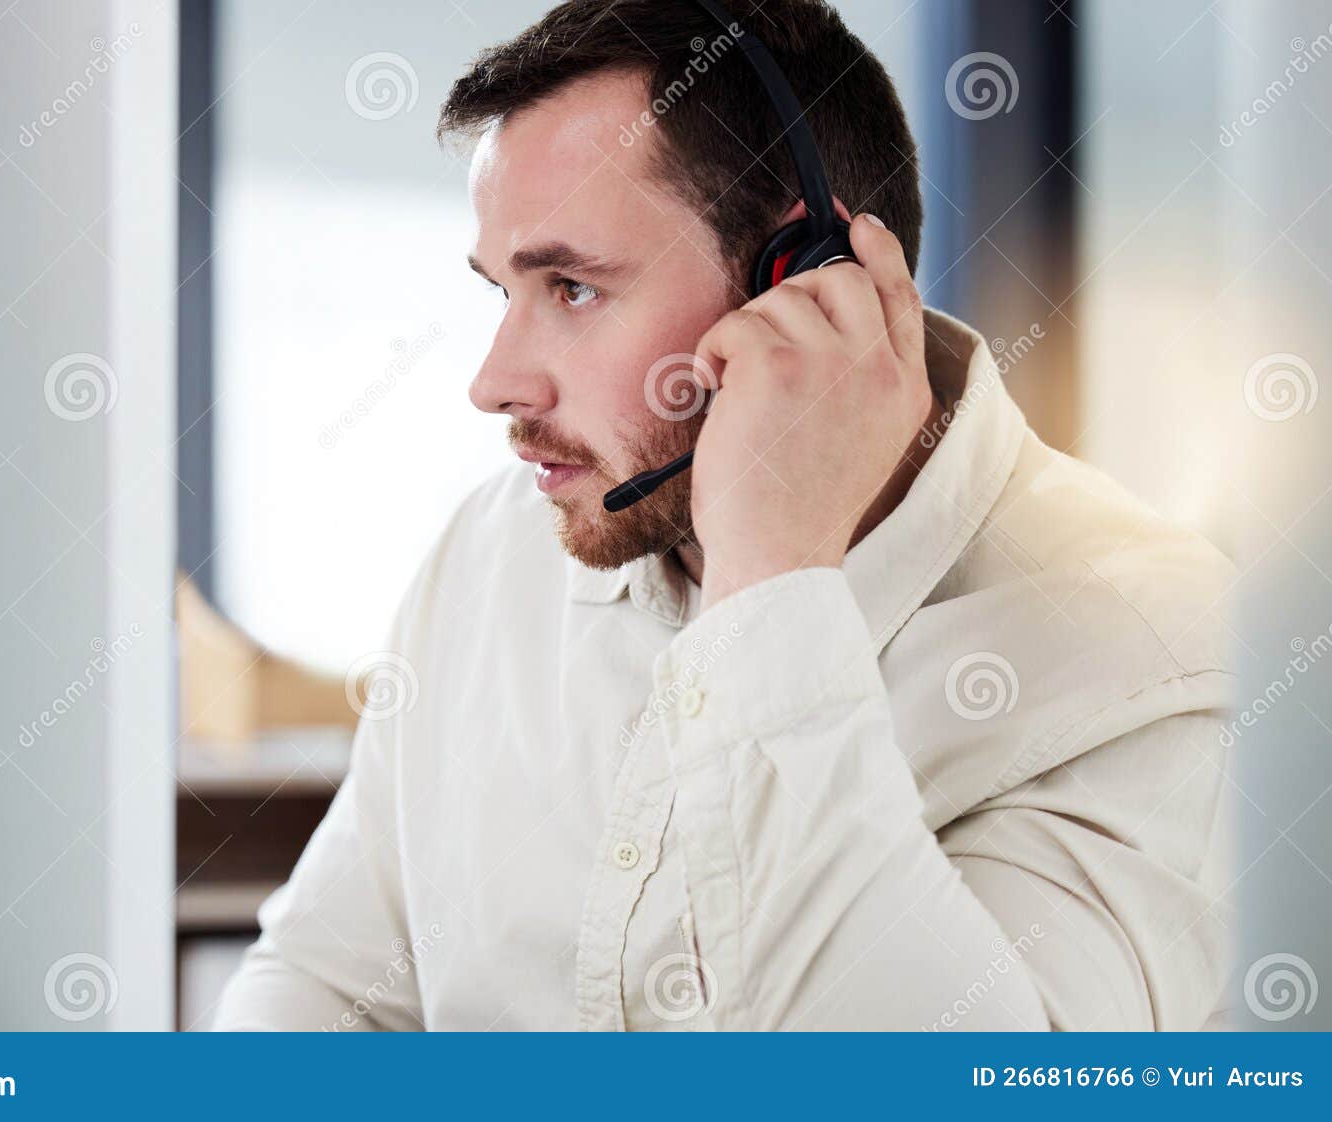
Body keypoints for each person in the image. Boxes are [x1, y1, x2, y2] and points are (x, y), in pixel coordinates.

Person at [215, 0, 1235, 1031]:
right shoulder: (490, 552)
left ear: (801, 283)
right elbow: (324, 985)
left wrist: (774, 577)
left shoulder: (1149, 654)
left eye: (571, 288)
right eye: (502, 292)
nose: (495, 383)